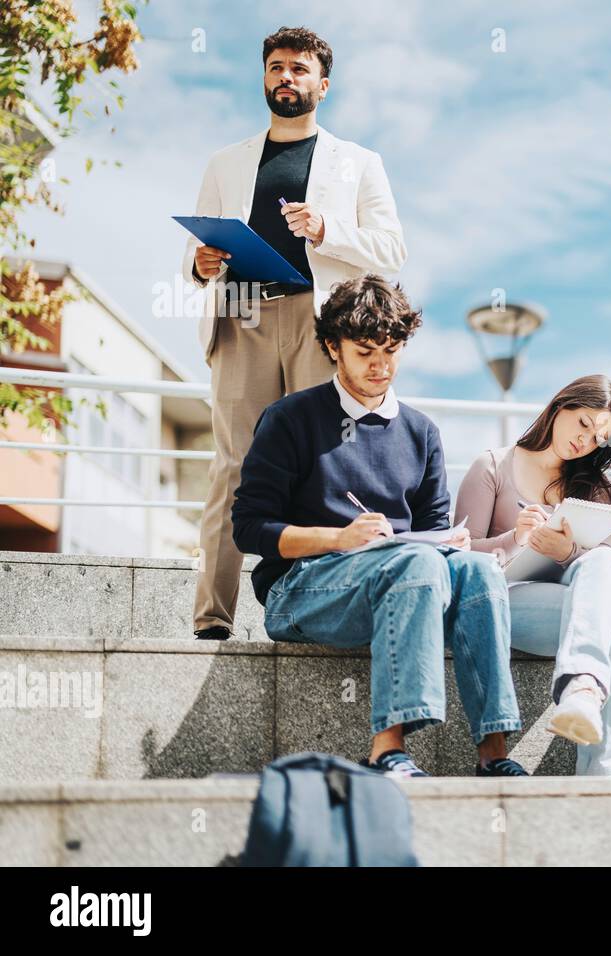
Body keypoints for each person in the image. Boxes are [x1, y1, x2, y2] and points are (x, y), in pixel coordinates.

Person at [232, 275, 526, 778]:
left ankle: (493, 753)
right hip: (302, 590)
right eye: (365, 351)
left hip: (404, 580)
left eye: (392, 350)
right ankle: (387, 750)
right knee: (414, 562)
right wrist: (339, 538)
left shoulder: (421, 432)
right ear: (332, 347)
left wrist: (453, 542)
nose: (380, 365)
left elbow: (434, 529)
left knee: (476, 571)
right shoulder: (290, 419)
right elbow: (248, 527)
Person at [188, 26, 407, 642]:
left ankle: (322, 608)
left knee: (327, 463)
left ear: (323, 85)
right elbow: (199, 245)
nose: (287, 77)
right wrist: (198, 264)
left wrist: (325, 228)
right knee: (232, 466)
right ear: (264, 77)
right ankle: (211, 619)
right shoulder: (224, 161)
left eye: (300, 69)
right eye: (277, 67)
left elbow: (392, 249)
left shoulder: (360, 163)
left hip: (321, 325)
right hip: (242, 315)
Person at [455, 375, 611, 776]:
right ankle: (609, 765)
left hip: (564, 610)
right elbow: (458, 554)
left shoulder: (589, 487)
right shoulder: (493, 466)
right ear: (561, 408)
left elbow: (600, 574)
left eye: (599, 438)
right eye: (584, 424)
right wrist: (515, 538)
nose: (586, 441)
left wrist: (568, 552)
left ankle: (581, 688)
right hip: (501, 600)